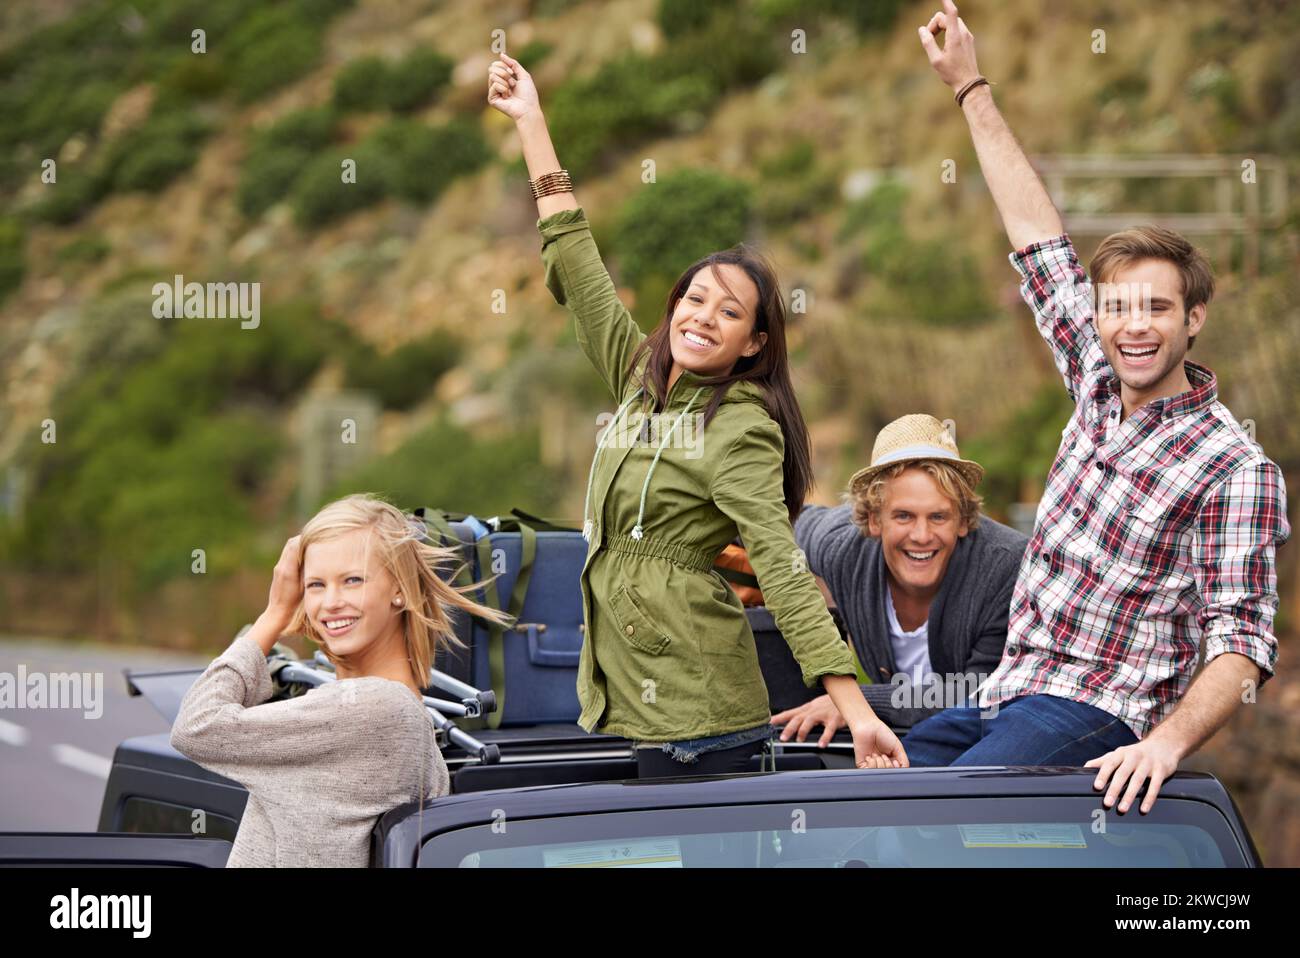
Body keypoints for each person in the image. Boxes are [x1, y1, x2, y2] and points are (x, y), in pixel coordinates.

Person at [908, 1, 1290, 812]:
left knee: (935, 820)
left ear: (1194, 319)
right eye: (1118, 308)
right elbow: (1037, 239)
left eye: (1157, 308)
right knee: (871, 787)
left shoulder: (1234, 468)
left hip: (1097, 708)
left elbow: (1242, 637)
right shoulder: (1094, 374)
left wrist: (1165, 743)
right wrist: (970, 86)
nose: (1134, 326)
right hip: (1007, 689)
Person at [487, 52, 907, 776]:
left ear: (755, 343)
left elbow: (777, 562)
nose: (705, 316)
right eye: (695, 297)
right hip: (637, 695)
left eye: (731, 310)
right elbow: (579, 262)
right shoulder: (638, 379)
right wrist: (532, 121)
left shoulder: (741, 424)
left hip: (700, 711)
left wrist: (855, 708)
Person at [170, 494, 509, 866]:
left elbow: (196, 725)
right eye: (316, 585)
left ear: (399, 589)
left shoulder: (376, 708)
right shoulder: (397, 710)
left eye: (352, 580)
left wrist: (274, 613)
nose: (330, 602)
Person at [772, 414, 1028, 744]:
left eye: (938, 516)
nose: (921, 536)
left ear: (963, 521)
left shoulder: (1007, 566)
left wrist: (855, 703)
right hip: (887, 745)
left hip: (980, 744)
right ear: (874, 519)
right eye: (903, 516)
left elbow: (978, 691)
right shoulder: (842, 548)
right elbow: (782, 522)